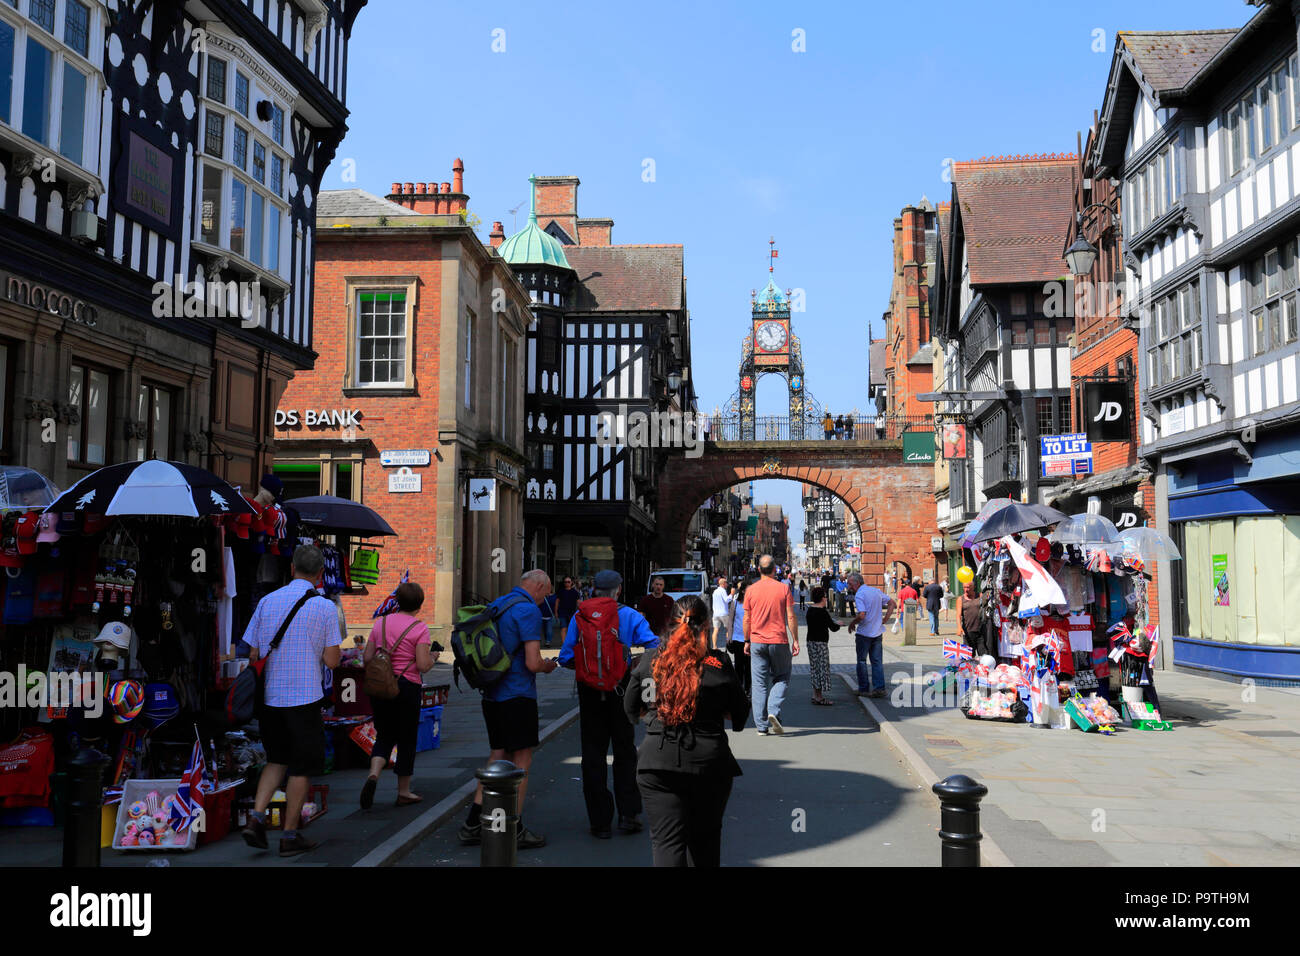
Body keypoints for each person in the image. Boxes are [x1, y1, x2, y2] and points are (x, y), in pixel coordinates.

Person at [623, 595, 747, 867]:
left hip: (658, 762)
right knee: (705, 842)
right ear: (705, 627)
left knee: (667, 842)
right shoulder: (718, 664)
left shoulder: (650, 662)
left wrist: (656, 708)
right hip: (708, 763)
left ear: (670, 625)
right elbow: (739, 715)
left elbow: (632, 710)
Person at [239, 545, 341, 857]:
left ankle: (256, 819)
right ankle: (289, 834)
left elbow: (252, 651)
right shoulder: (324, 608)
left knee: (276, 759)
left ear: (292, 568)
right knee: (301, 766)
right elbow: (333, 660)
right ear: (321, 574)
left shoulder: (267, 601)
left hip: (272, 698)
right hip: (305, 697)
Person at [459, 570, 558, 850]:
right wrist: (548, 666)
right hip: (517, 693)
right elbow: (531, 662)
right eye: (547, 593)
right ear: (538, 587)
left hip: (491, 692)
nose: (545, 599)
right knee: (522, 760)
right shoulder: (527, 610)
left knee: (498, 754)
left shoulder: (500, 603)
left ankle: (474, 822)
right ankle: (513, 827)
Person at [558, 569, 659, 838]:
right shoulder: (629, 615)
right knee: (625, 751)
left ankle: (599, 821)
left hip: (589, 692)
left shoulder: (579, 617)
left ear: (593, 589)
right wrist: (634, 662)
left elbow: (566, 657)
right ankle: (628, 815)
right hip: (621, 689)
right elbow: (654, 645)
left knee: (592, 754)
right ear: (618, 590)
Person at [360, 582, 437, 809]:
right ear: (420, 605)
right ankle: (403, 791)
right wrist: (432, 656)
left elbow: (366, 658)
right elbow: (422, 665)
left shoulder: (380, 623)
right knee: (406, 738)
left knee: (384, 734)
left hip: (381, 686)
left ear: (397, 601)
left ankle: (373, 774)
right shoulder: (420, 628)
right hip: (407, 687)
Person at [744, 554, 799, 735]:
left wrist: (746, 640)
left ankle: (760, 727)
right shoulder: (783, 589)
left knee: (759, 684)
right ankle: (773, 711)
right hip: (778, 640)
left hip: (757, 641)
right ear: (775, 569)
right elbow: (790, 616)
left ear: (759, 569)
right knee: (782, 676)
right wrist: (795, 639)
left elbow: (747, 618)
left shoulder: (751, 590)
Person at [849, 572, 895, 698]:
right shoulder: (875, 591)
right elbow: (892, 603)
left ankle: (864, 689)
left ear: (857, 583)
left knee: (862, 661)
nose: (849, 587)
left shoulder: (859, 594)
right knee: (877, 662)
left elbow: (862, 614)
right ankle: (879, 688)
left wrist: (852, 623)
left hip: (864, 633)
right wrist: (885, 619)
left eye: (850, 584)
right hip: (877, 632)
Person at [805, 587, 840, 705]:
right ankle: (820, 697)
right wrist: (839, 623)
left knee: (814, 668)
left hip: (810, 642)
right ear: (821, 598)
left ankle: (815, 694)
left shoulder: (810, 610)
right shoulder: (823, 612)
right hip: (821, 643)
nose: (826, 598)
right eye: (825, 596)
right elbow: (833, 628)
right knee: (822, 668)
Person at [728, 575, 753, 697]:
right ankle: (739, 690)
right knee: (738, 666)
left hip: (751, 639)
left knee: (749, 667)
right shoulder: (735, 603)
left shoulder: (755, 603)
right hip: (738, 639)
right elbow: (730, 620)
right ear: (743, 591)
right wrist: (729, 637)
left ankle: (748, 690)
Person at [710, 576, 734, 650]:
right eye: (726, 583)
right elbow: (727, 600)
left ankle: (714, 646)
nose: (727, 585)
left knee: (715, 629)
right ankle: (728, 644)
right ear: (723, 584)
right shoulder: (723, 591)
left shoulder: (715, 591)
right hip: (723, 613)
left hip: (716, 614)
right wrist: (732, 594)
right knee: (728, 629)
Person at [556, 576, 581, 645]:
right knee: (563, 628)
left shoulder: (575, 592)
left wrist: (581, 612)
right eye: (565, 582)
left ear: (571, 583)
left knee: (572, 629)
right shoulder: (561, 591)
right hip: (562, 613)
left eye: (568, 582)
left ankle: (571, 642)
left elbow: (579, 603)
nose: (567, 583)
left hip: (572, 613)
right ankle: (564, 644)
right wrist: (556, 612)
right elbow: (557, 602)